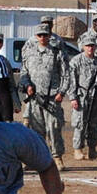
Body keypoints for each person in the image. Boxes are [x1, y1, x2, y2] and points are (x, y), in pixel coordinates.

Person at [18, 24, 68, 169]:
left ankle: (57, 156)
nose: (42, 38)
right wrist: (27, 86)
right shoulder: (29, 53)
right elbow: (24, 73)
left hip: (52, 97)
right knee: (36, 131)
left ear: (49, 36)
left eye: (45, 35)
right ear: (36, 37)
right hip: (35, 99)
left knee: (54, 128)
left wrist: (62, 92)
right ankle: (37, 158)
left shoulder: (57, 53)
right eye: (40, 35)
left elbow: (66, 75)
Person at [66, 35, 97, 160]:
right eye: (88, 46)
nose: (90, 48)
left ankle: (93, 149)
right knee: (80, 123)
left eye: (92, 46)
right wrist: (73, 97)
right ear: (83, 47)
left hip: (96, 96)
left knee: (95, 123)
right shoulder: (76, 61)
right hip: (81, 96)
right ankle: (77, 149)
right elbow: (72, 80)